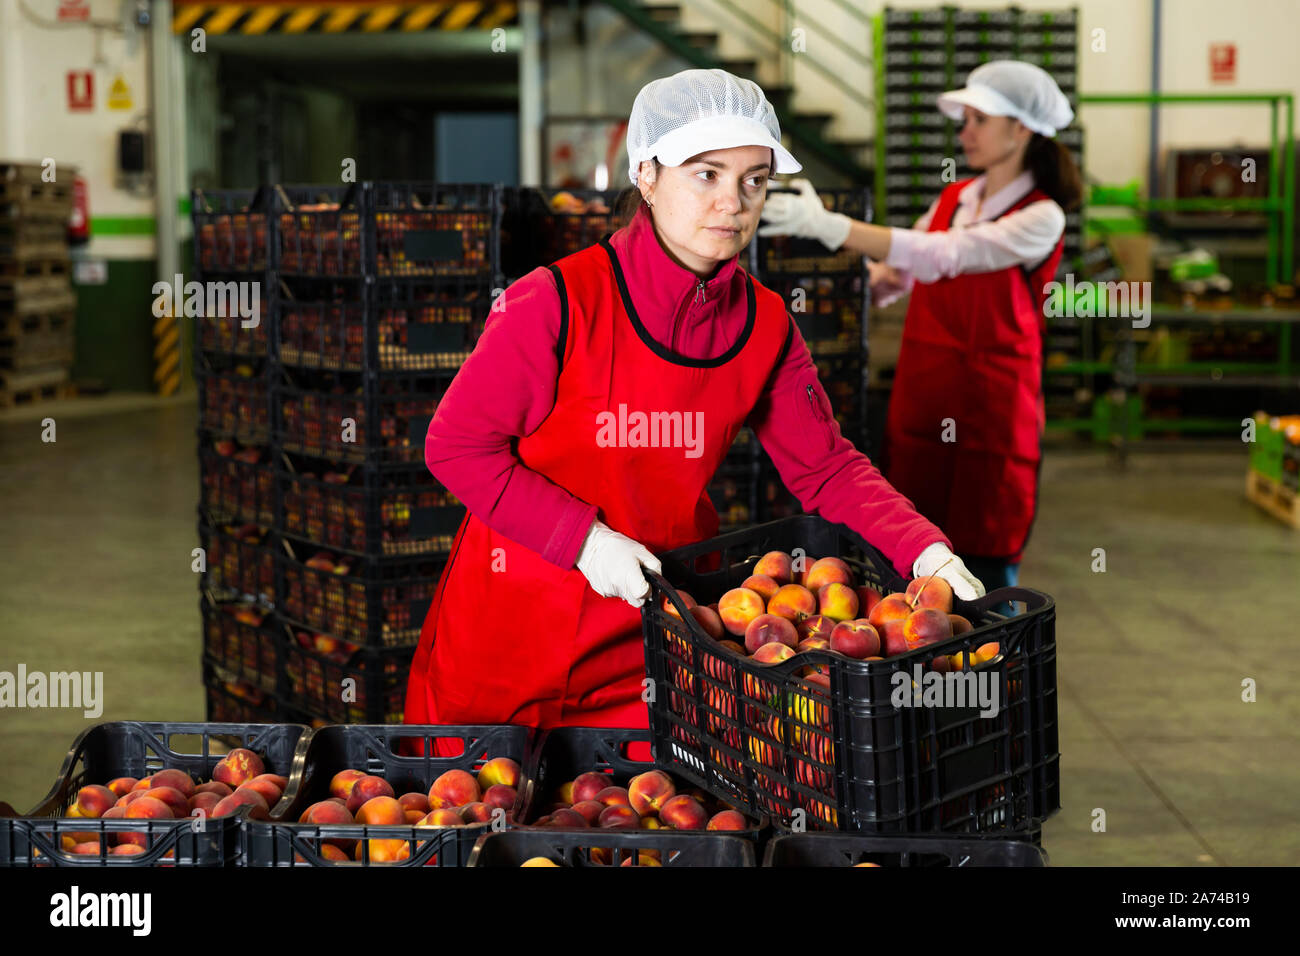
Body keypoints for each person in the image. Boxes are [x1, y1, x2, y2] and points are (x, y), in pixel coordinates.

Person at [403, 69, 985, 748]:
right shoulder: (555, 301)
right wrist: (583, 541)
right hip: (509, 633)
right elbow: (455, 447)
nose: (732, 203)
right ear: (647, 175)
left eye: (754, 180)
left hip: (651, 634)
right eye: (705, 174)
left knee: (637, 829)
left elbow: (826, 468)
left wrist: (925, 550)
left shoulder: (765, 325)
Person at [759, 60, 1082, 604]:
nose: (965, 133)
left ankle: (987, 667)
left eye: (979, 119)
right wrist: (823, 292)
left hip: (991, 416)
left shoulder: (1040, 217)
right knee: (911, 554)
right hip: (926, 401)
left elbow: (946, 254)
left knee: (982, 568)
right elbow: (899, 273)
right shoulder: (955, 199)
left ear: (1021, 129)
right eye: (964, 120)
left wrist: (832, 227)